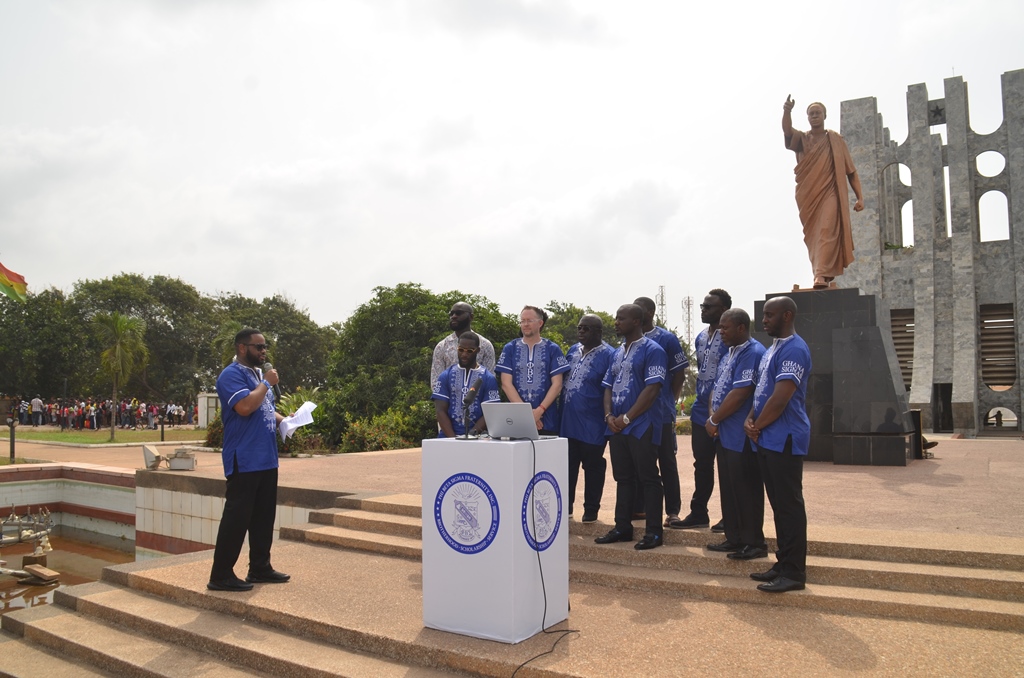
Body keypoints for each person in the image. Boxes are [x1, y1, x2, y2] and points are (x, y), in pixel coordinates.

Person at [208, 328, 290, 592]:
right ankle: (220, 575)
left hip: (266, 457)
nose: (264, 351)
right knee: (237, 518)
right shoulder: (230, 375)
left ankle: (260, 568)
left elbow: (265, 409)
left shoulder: (255, 375)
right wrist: (266, 383)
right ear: (242, 348)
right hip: (244, 458)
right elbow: (244, 407)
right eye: (259, 347)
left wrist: (287, 422)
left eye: (265, 346)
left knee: (263, 517)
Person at [744, 297, 812, 593]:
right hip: (766, 437)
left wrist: (756, 426)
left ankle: (794, 572)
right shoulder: (773, 349)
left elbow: (781, 397)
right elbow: (760, 392)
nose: (764, 321)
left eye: (770, 315)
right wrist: (750, 419)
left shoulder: (795, 349)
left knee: (789, 507)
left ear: (787, 315)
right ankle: (782, 564)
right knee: (779, 506)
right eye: (763, 315)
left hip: (784, 437)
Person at [594, 304, 667, 551]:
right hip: (616, 426)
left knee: (648, 478)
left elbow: (653, 389)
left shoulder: (653, 350)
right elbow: (607, 386)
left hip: (641, 425)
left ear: (636, 321)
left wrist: (627, 418)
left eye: (620, 319)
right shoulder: (616, 353)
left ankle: (654, 532)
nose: (615, 322)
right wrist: (609, 416)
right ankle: (622, 526)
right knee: (623, 478)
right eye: (615, 318)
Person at [783, 96, 864, 289]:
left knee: (827, 230)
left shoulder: (835, 140)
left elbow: (850, 171)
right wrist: (787, 111)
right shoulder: (802, 139)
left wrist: (860, 196)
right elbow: (787, 131)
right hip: (808, 194)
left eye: (818, 113)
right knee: (813, 236)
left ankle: (820, 275)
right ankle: (820, 272)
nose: (814, 116)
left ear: (825, 116)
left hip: (830, 192)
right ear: (808, 117)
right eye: (811, 113)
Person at [705, 308, 768, 560]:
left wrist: (714, 418)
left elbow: (741, 392)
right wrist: (712, 415)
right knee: (730, 488)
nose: (721, 331)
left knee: (746, 489)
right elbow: (716, 389)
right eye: (719, 327)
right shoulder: (728, 354)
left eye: (725, 327)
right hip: (723, 432)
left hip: (740, 435)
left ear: (741, 328)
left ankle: (754, 543)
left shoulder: (752, 352)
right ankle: (733, 538)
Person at [673, 289, 731, 530]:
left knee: (728, 466)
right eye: (703, 306)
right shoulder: (699, 337)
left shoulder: (731, 338)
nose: (703, 310)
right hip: (699, 411)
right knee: (702, 464)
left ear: (724, 310)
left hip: (725, 412)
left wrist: (718, 413)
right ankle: (699, 512)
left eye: (709, 307)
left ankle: (731, 516)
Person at [633, 297, 688, 527]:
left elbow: (679, 373)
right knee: (641, 462)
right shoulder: (631, 340)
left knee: (666, 460)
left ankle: (672, 510)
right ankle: (641, 508)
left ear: (650, 312)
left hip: (661, 413)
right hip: (638, 413)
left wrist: (670, 400)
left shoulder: (666, 339)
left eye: (640, 310)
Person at [560, 314, 614, 523]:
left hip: (593, 423)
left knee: (592, 467)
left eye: (586, 329)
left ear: (599, 332)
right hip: (568, 421)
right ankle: (566, 507)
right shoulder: (572, 351)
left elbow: (610, 388)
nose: (581, 332)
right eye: (579, 328)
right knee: (567, 466)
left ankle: (591, 509)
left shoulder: (609, 354)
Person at [496, 306, 570, 435]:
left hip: (546, 420)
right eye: (522, 321)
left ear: (540, 323)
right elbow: (506, 384)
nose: (525, 324)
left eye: (529, 320)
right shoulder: (510, 348)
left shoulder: (552, 349)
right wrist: (527, 415)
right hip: (516, 420)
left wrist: (539, 411)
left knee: (546, 455)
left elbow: (557, 384)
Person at [431, 331, 501, 437]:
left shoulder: (488, 378)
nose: (464, 354)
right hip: (448, 437)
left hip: (477, 438)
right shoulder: (446, 376)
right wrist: (453, 439)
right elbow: (440, 410)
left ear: (477, 351)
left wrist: (470, 436)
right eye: (461, 350)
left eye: (469, 351)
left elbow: (490, 412)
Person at [430, 302, 497, 389]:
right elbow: (436, 383)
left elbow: (490, 379)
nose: (453, 316)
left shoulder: (485, 345)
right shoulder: (442, 346)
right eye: (451, 314)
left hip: (478, 399)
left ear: (471, 317)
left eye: (459, 313)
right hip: (449, 401)